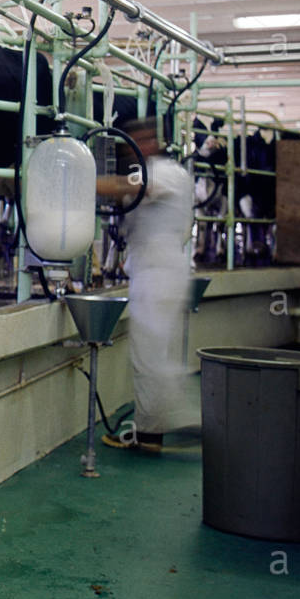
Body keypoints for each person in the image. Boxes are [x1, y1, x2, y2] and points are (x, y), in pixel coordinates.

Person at [96, 117, 195, 452]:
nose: (134, 145)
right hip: (156, 268)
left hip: (158, 270)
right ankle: (156, 427)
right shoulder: (155, 170)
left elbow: (133, 187)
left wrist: (77, 176)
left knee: (149, 353)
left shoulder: (164, 171)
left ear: (152, 140)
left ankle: (172, 424)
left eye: (138, 138)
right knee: (152, 350)